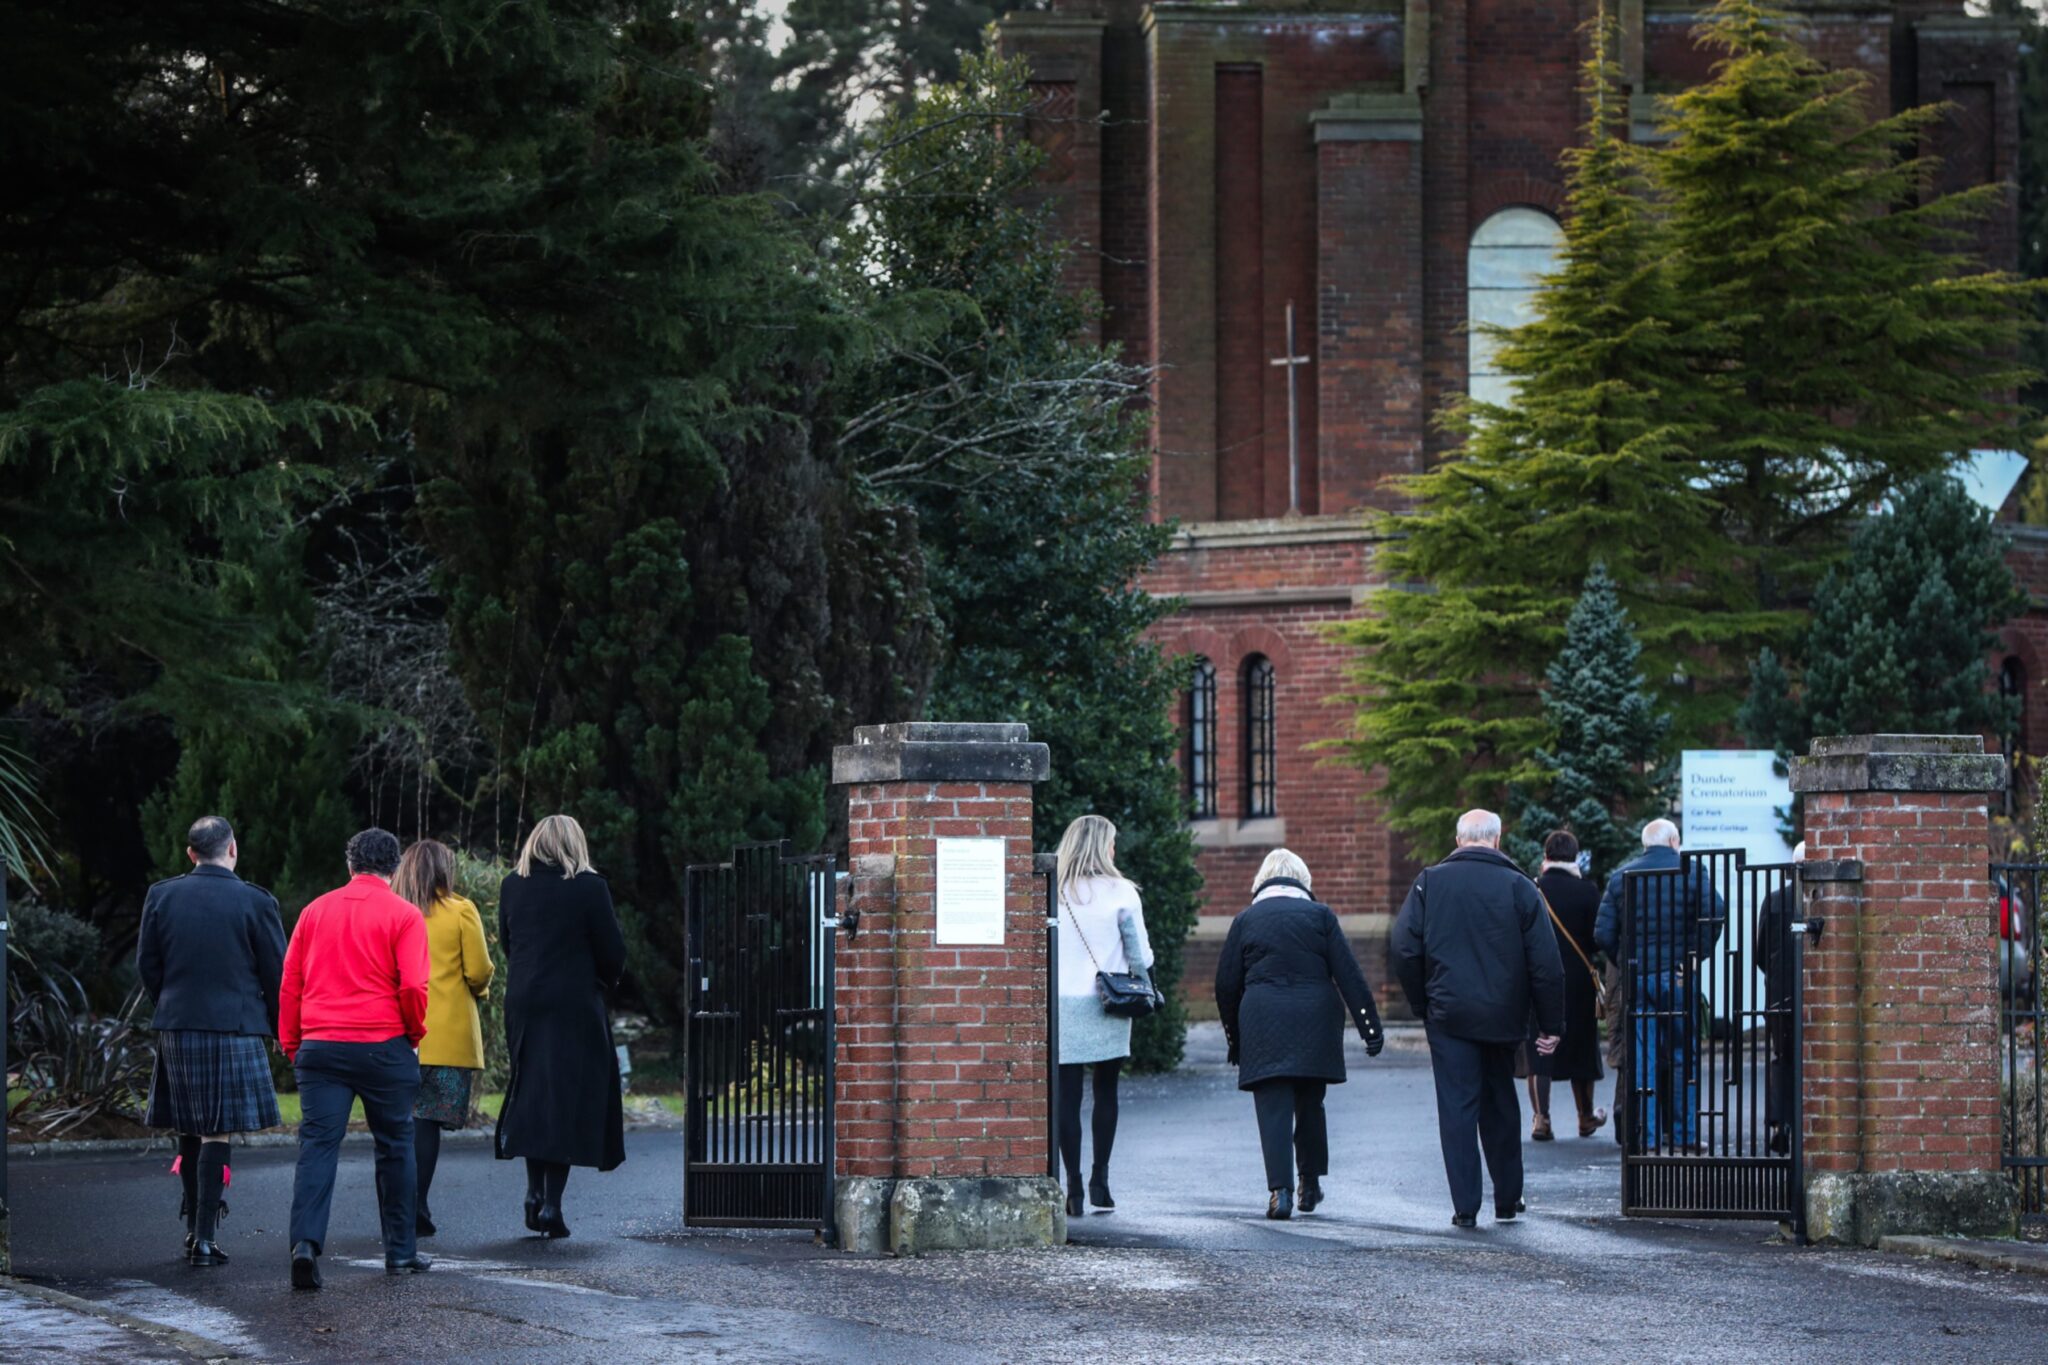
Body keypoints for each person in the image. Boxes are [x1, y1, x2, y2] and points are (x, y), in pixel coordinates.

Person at [1392, 810, 1564, 1229]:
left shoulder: (1429, 883)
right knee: (1500, 1101)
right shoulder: (1519, 886)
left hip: (1448, 1013)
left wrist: (1422, 1003)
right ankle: (1507, 1197)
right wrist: (1550, 1023)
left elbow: (1404, 947)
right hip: (1502, 1012)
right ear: (1498, 840)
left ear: (1458, 840)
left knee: (1457, 1108)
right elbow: (1546, 962)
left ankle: (1465, 1206)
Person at [280, 828, 432, 1289]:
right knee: (396, 1145)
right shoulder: (405, 914)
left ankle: (305, 1244)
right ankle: (401, 1253)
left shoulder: (314, 911)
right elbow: (413, 986)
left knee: (318, 1146)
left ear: (350, 866)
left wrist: (293, 1044)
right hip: (384, 1044)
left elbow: (291, 983)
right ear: (395, 869)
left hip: (321, 1045)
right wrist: (413, 1033)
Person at [135, 815, 287, 1267]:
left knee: (188, 1124)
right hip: (233, 1028)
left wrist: (173, 1004)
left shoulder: (161, 895)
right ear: (233, 848)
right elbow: (275, 974)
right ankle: (204, 1237)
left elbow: (147, 965)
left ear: (191, 853)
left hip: (179, 1024)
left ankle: (192, 1232)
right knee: (215, 1130)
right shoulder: (256, 900)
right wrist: (280, 1027)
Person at [1215, 848, 1384, 1221]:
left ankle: (1280, 1193)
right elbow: (1349, 974)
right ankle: (1309, 1183)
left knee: (1272, 1106)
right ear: (1304, 881)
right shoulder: (1320, 916)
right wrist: (1370, 1028)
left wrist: (1235, 1038)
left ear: (1261, 880)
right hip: (1315, 1019)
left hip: (1263, 1019)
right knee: (1310, 1102)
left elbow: (1226, 985)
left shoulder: (1245, 920)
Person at [494, 814, 627, 1238]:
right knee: (565, 1097)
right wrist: (604, 981)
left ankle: (532, 1192)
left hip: (524, 999)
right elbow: (612, 952)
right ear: (575, 844)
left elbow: (508, 942)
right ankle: (552, 1203)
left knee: (533, 1091)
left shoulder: (512, 885)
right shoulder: (589, 887)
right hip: (572, 1001)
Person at [1594, 818, 1727, 1150]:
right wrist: (1696, 954)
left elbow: (1603, 933)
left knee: (1643, 1058)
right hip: (1679, 975)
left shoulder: (1622, 876)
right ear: (1673, 841)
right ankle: (1684, 1135)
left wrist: (1626, 961)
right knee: (1683, 1057)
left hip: (1638, 977)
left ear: (1645, 843)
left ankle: (1647, 1137)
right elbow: (1716, 912)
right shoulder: (1692, 871)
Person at [1052, 814, 1156, 1218]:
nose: (1114, 849)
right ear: (1102, 847)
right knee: (1106, 1092)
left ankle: (1073, 1186)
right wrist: (1148, 989)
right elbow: (1139, 953)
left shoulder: (1054, 890)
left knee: (1067, 1097)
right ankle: (1101, 1180)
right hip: (1109, 1003)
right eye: (1112, 842)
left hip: (1063, 1003)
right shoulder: (1122, 892)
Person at [392, 839, 495, 1237]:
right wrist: (481, 991)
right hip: (447, 1038)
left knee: (397, 1123)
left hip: (396, 1034)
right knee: (427, 1123)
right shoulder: (461, 910)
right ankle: (417, 1203)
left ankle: (396, 1206)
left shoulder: (392, 911)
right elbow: (479, 970)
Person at [1527, 831, 1607, 1141]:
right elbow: (1598, 938)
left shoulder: (1534, 889)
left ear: (1546, 855)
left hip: (1539, 978)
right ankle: (1585, 1116)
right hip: (1578, 980)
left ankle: (1541, 1119)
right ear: (1575, 857)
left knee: (1539, 1047)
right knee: (1582, 1047)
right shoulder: (1587, 891)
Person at [1754, 841, 1803, 1155]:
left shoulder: (1773, 900)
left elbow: (1761, 952)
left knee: (1782, 1058)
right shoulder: (1822, 902)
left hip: (1779, 994)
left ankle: (1779, 1124)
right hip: (1814, 993)